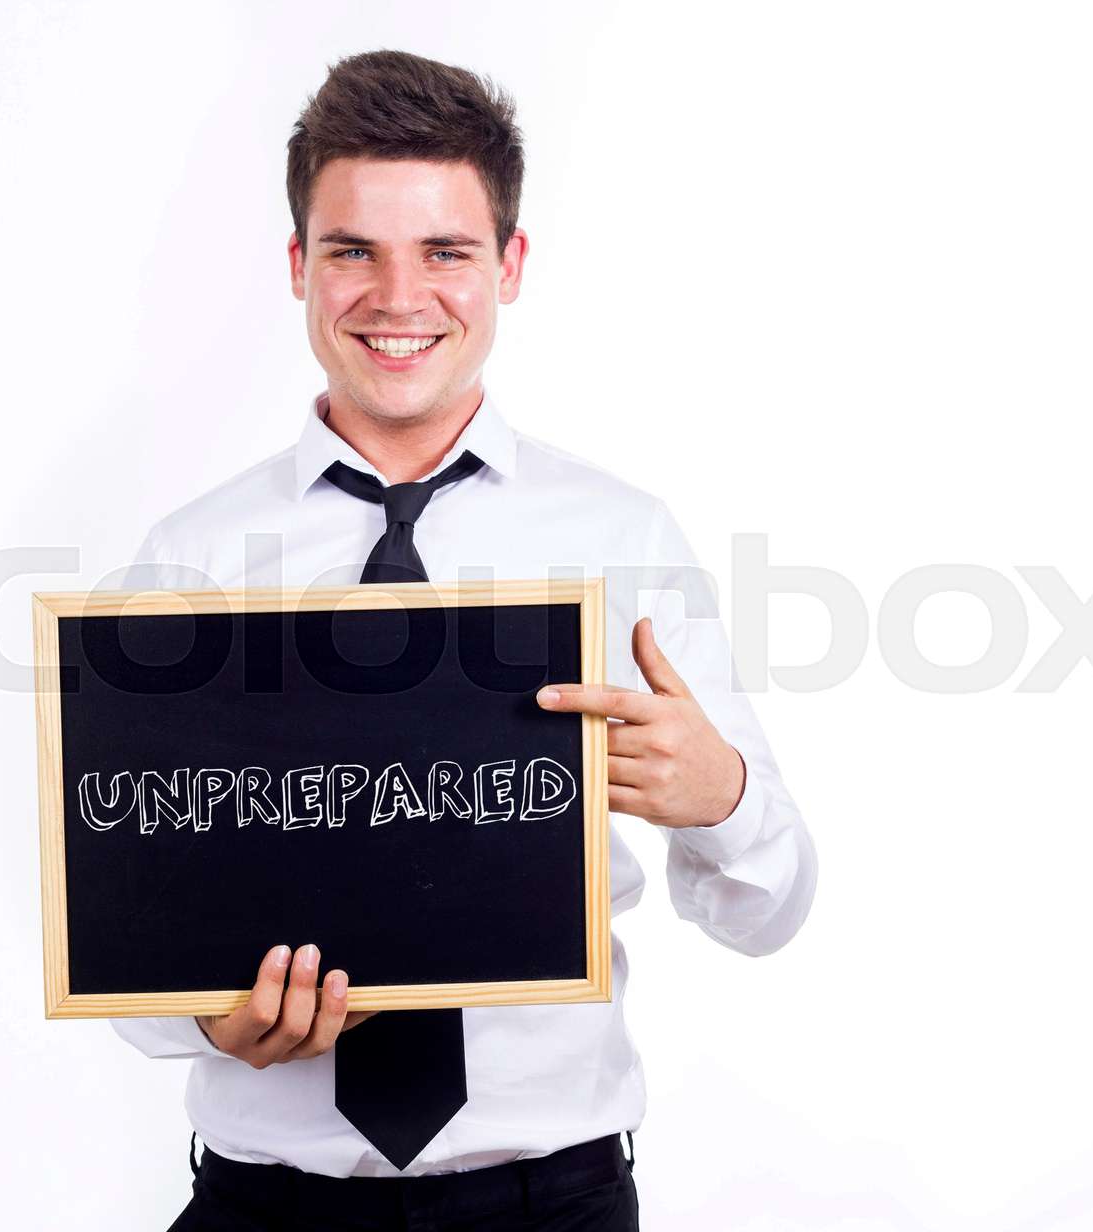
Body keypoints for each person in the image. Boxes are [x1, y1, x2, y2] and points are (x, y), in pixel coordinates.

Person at [112, 48, 818, 1232]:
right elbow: (122, 939)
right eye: (352, 250)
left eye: (444, 250)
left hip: (554, 1202)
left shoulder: (620, 536)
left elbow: (772, 907)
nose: (399, 295)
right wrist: (205, 1019)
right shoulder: (193, 558)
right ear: (297, 266)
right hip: (266, 1209)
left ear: (509, 265)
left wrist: (721, 792)